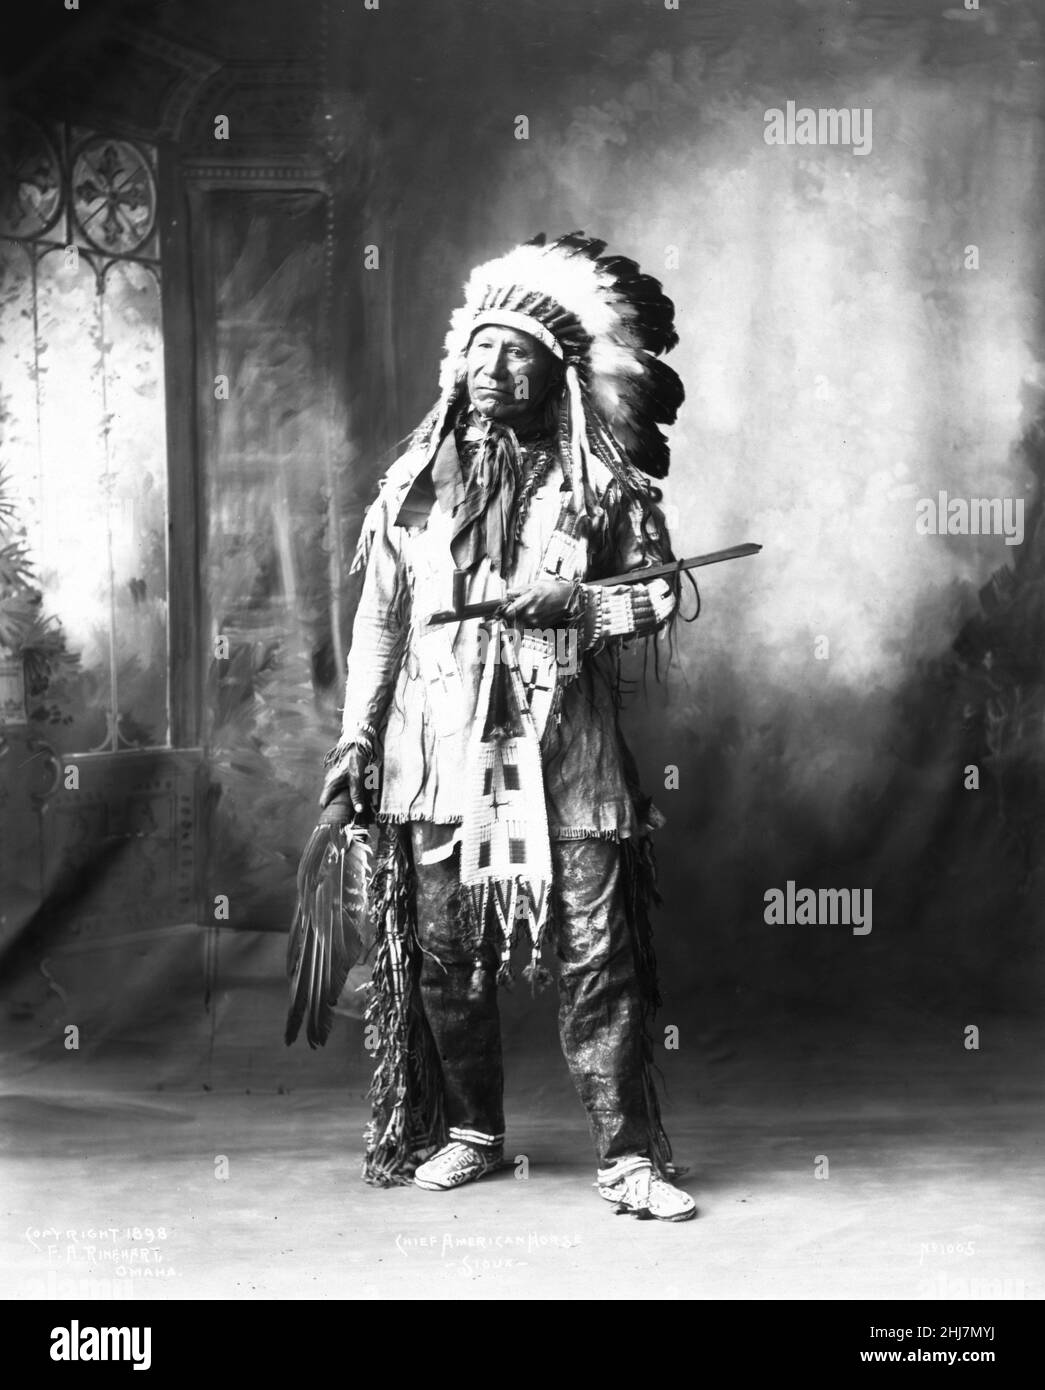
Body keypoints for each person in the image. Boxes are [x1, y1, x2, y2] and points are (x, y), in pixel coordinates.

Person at [320, 232, 695, 1221]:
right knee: (444, 949)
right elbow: (379, 623)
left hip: (562, 758)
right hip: (435, 753)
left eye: (513, 350)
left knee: (593, 951)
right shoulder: (413, 482)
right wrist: (357, 737)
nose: (491, 368)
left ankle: (624, 1155)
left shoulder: (600, 480)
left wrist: (578, 603)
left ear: (554, 366)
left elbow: (657, 596)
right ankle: (471, 1131)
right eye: (478, 350)